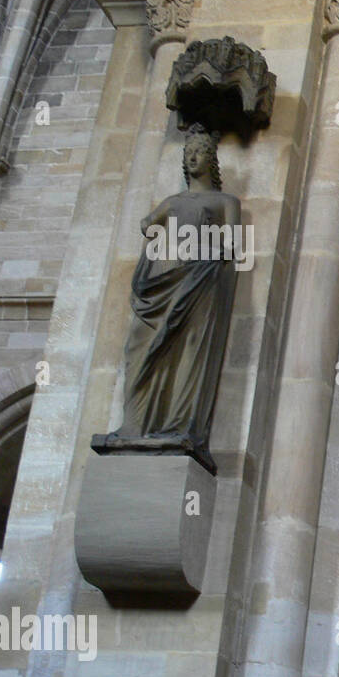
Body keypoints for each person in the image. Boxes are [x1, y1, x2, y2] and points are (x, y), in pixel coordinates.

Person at [107, 124, 239, 455]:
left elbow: (233, 245)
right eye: (189, 152)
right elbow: (148, 224)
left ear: (212, 160)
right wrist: (154, 230)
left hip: (200, 282)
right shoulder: (173, 201)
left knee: (190, 349)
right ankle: (134, 423)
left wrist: (209, 243)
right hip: (166, 279)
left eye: (200, 152)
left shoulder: (225, 201)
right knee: (139, 345)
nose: (193, 157)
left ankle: (179, 425)